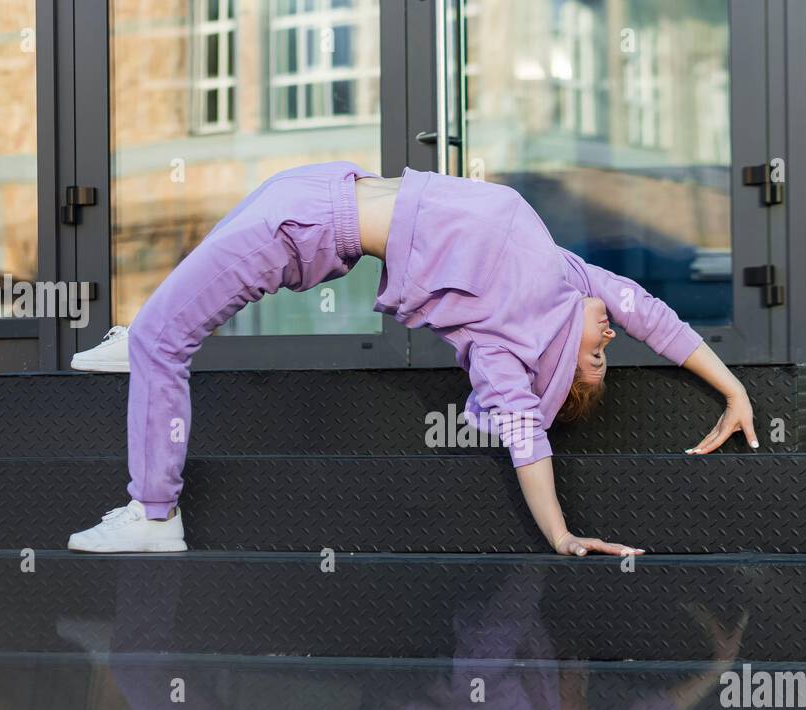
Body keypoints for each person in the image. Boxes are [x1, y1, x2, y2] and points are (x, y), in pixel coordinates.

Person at [67, 161, 758, 556]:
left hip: (308, 228)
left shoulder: (503, 348)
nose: (609, 340)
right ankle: (147, 342)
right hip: (321, 185)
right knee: (170, 315)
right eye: (608, 351)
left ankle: (154, 514)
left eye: (597, 360)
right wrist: (733, 390)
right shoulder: (568, 280)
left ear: (553, 367)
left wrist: (562, 533)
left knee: (166, 339)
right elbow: (651, 315)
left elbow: (526, 442)